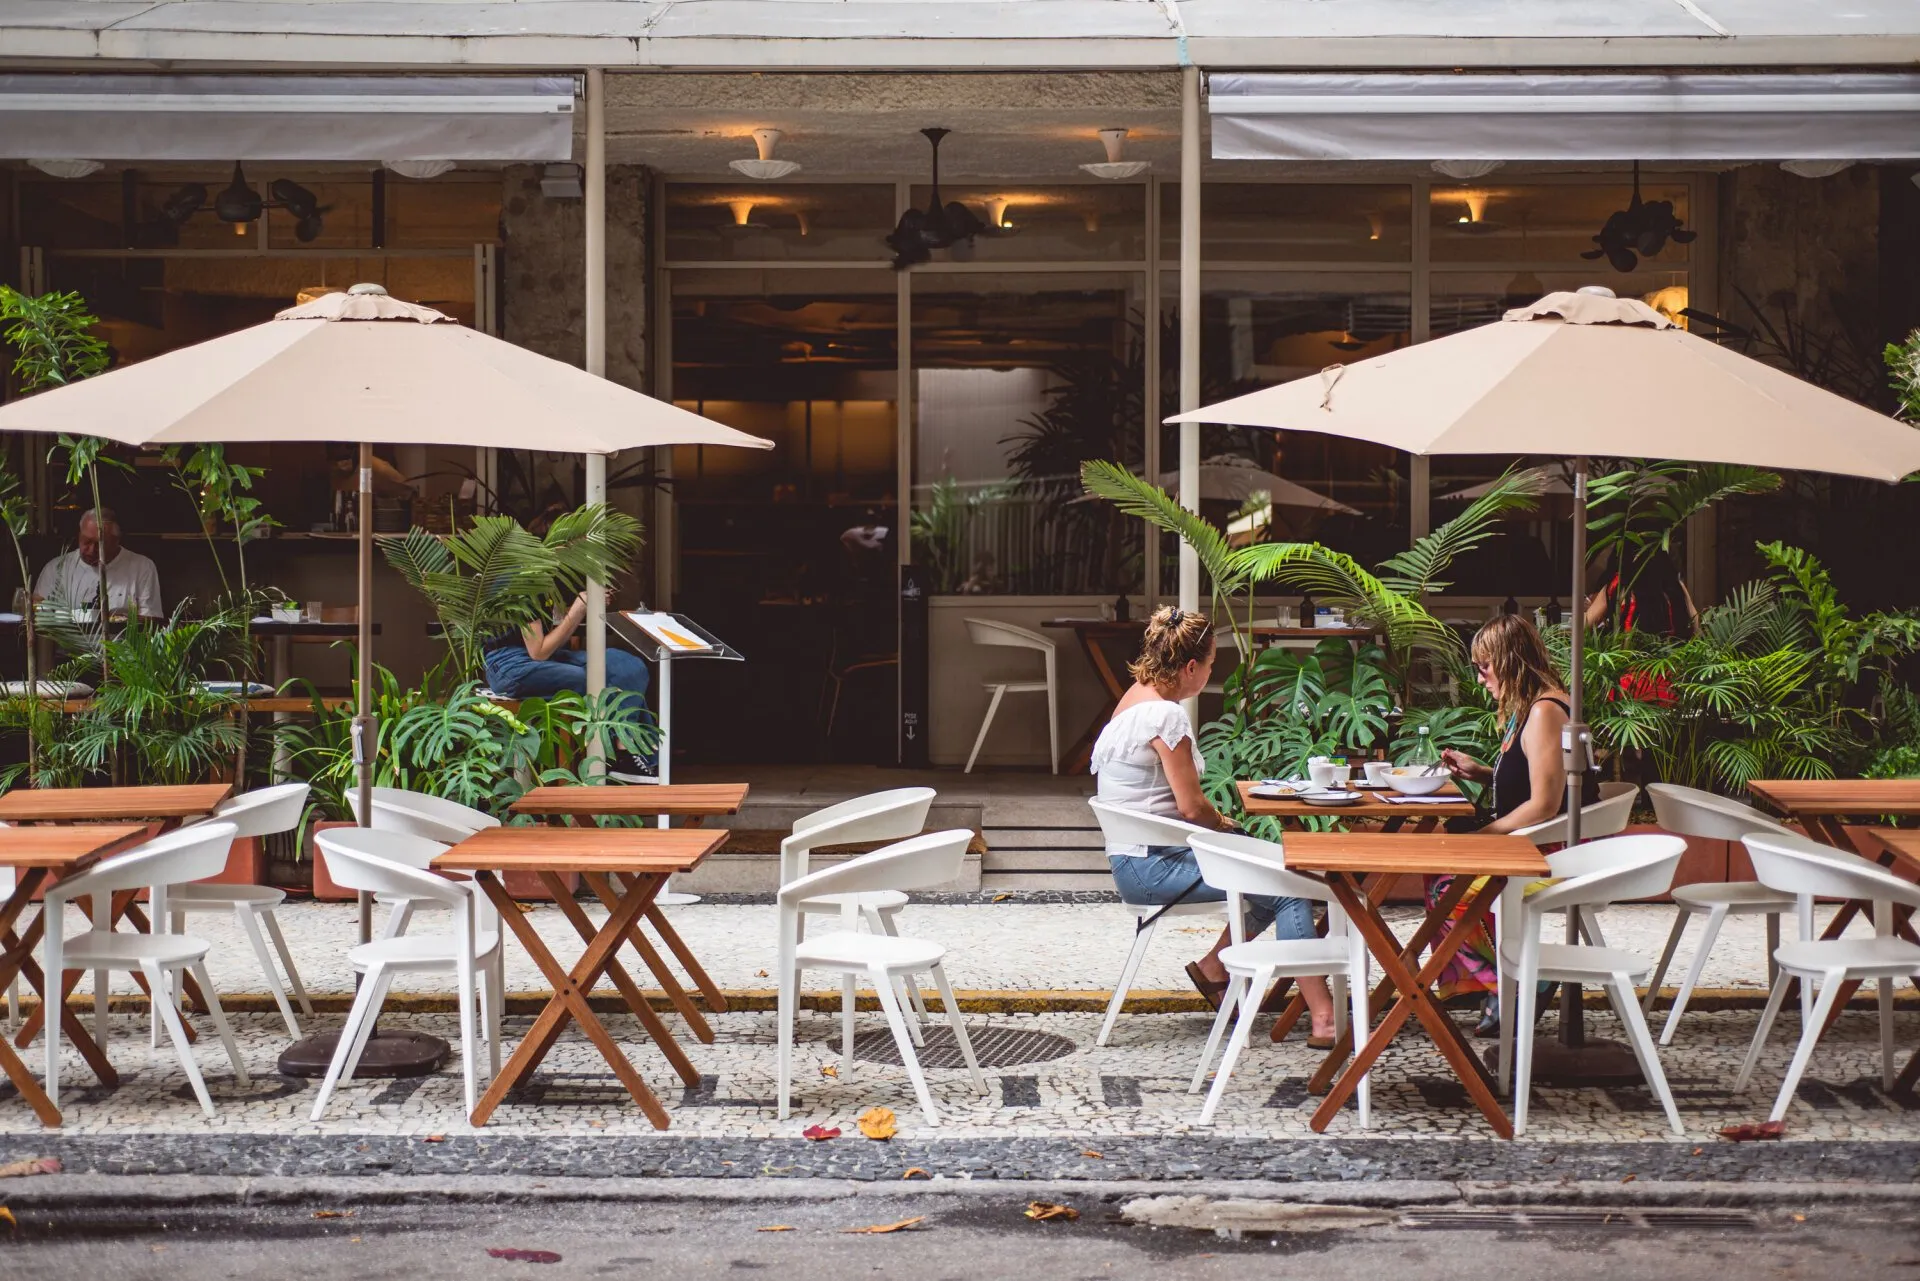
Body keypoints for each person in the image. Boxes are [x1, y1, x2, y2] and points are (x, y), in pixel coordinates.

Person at [1091, 605, 1338, 1044]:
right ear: (1189, 667)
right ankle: (1325, 1019)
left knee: (1269, 873)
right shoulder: (1166, 717)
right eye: (1208, 666)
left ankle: (1214, 967)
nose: (1208, 675)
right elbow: (1191, 808)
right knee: (1288, 887)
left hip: (1135, 862)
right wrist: (1227, 825)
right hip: (1156, 867)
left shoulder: (1132, 700)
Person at [1436, 613, 1600, 1034]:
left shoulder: (1545, 711)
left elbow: (1544, 804)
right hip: (1535, 845)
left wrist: (1483, 836)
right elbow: (1533, 783)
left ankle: (1518, 982)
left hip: (1553, 855)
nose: (1480, 678)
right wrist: (1479, 771)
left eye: (1484, 666)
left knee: (1447, 887)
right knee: (1439, 875)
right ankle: (1503, 982)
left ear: (1509, 661)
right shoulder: (1531, 707)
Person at [481, 592, 656, 775]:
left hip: (547, 657)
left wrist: (580, 608)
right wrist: (579, 608)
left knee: (627, 666)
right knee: (596, 678)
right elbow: (538, 652)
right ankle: (624, 753)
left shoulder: (544, 582)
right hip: (510, 666)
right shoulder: (522, 585)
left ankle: (627, 747)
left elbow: (550, 644)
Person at [34, 506, 162, 620]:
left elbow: (150, 620)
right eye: (86, 542)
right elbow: (38, 612)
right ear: (79, 536)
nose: (91, 550)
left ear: (116, 541)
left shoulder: (142, 567)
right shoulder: (57, 568)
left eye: (100, 545)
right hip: (69, 645)